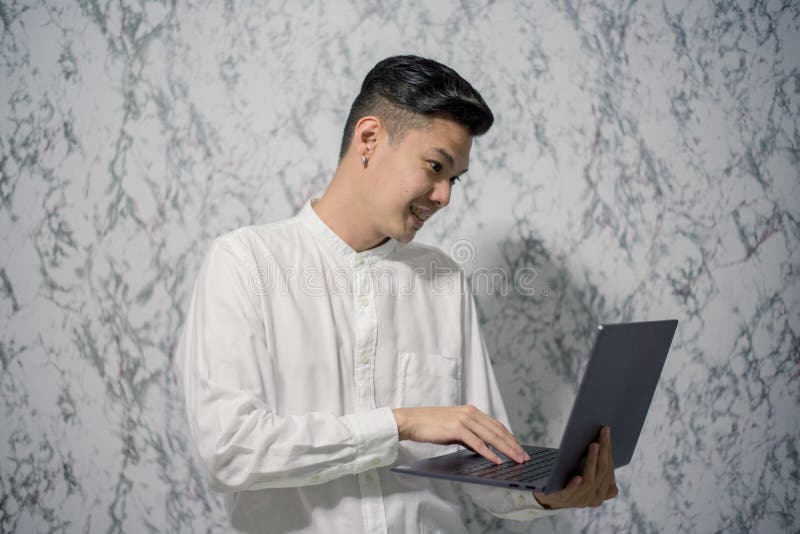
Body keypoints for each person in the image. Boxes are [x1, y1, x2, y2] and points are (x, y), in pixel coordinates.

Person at [173, 54, 618, 533]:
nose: (445, 196)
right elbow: (230, 450)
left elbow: (486, 464)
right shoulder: (245, 262)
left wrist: (548, 493)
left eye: (454, 180)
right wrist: (401, 423)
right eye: (434, 166)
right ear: (369, 139)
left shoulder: (443, 280)